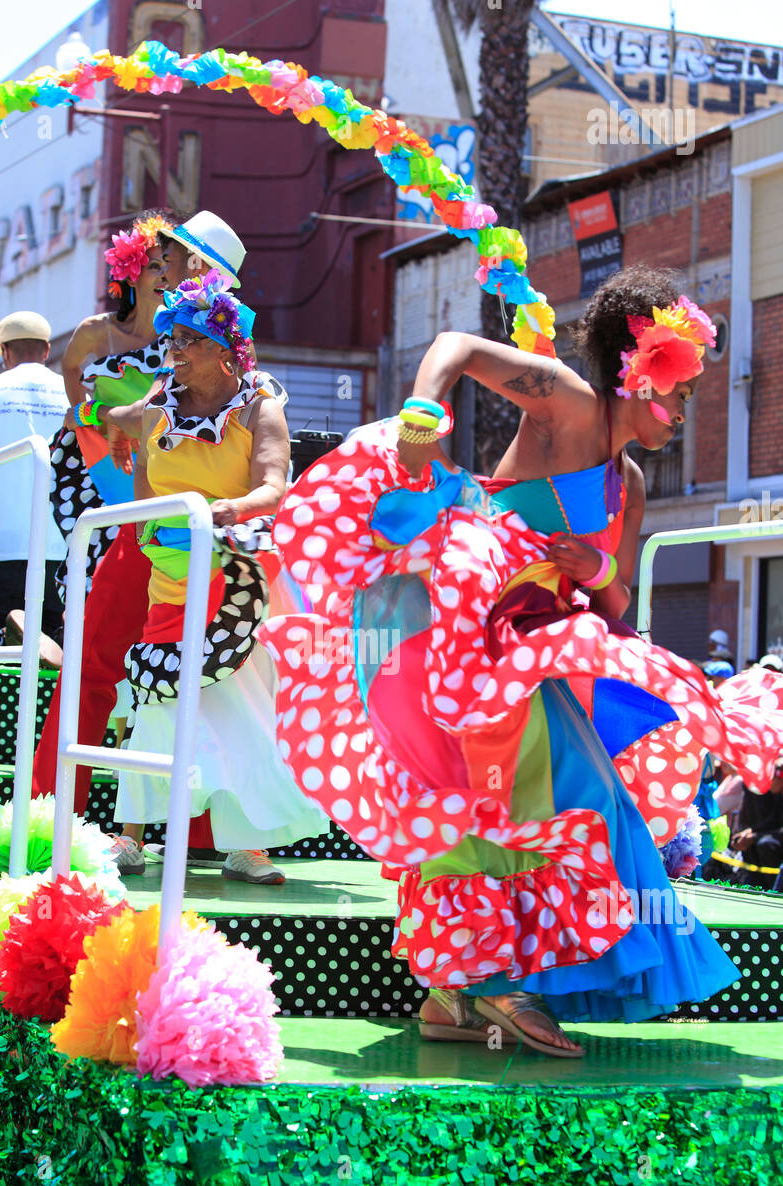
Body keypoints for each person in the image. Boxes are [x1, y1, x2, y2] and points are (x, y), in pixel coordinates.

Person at [259, 264, 783, 1054]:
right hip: (449, 632)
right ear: (639, 374)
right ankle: (490, 981)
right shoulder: (566, 402)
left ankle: (455, 993)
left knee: (556, 801)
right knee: (523, 797)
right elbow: (458, 344)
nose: (682, 411)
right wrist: (423, 416)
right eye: (677, 391)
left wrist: (594, 571)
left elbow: (617, 605)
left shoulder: (630, 483)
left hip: (530, 652)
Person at [32, 210, 247, 873]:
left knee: (209, 678)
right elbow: (124, 404)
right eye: (164, 254)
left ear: (202, 268)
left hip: (204, 539)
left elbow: (212, 413)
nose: (165, 261)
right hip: (142, 525)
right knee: (96, 666)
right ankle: (48, 814)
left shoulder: (220, 341)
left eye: (177, 254)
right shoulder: (157, 335)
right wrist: (117, 419)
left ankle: (204, 832)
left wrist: (128, 418)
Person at [114, 275, 327, 881]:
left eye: (188, 340)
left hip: (238, 578)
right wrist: (140, 511)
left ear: (227, 351)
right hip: (172, 574)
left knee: (246, 707)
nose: (174, 351)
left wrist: (236, 508)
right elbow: (128, 428)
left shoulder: (260, 407)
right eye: (171, 340)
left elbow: (273, 483)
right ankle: (130, 838)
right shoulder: (160, 402)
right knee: (157, 701)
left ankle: (245, 846)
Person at [0, 312, 69, 649]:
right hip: (61, 545)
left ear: (5, 352)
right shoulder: (73, 395)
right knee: (58, 645)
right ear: (47, 350)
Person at [731, 756, 783, 891]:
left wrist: (755, 836)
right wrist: (750, 832)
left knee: (766, 844)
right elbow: (773, 821)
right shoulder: (779, 796)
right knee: (745, 841)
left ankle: (773, 890)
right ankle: (755, 885)